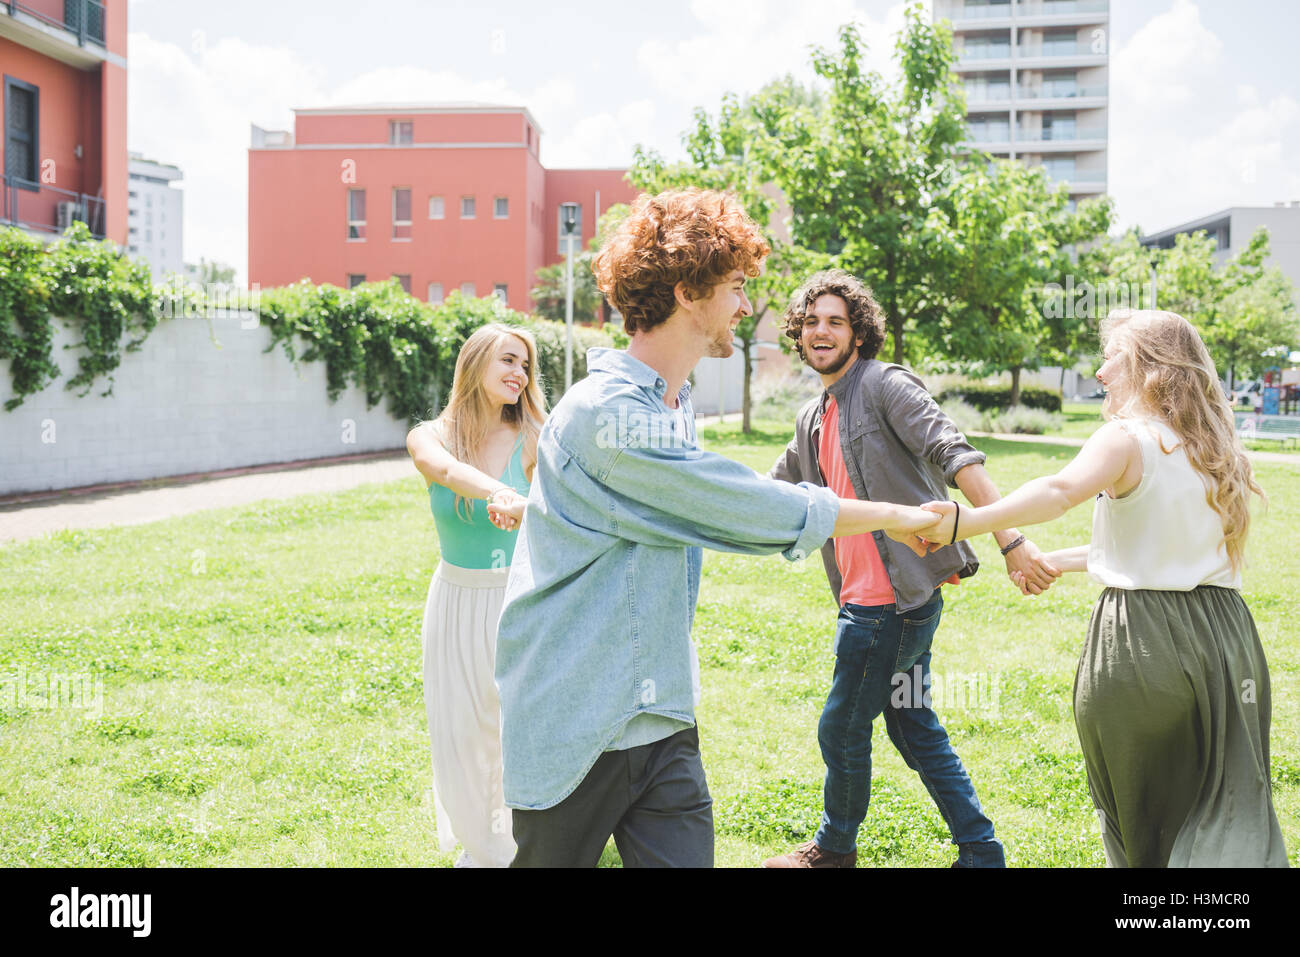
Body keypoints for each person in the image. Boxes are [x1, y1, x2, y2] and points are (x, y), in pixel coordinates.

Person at [487, 188, 941, 868]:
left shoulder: (673, 405)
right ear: (687, 292)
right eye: (733, 287)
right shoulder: (606, 413)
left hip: (661, 711)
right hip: (575, 715)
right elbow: (739, 506)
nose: (743, 305)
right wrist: (895, 517)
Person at [916, 309, 1289, 868]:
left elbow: (1059, 490)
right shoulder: (1215, 450)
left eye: (1111, 356)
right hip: (1227, 644)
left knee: (1143, 814)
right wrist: (1050, 562)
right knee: (1222, 805)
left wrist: (961, 523)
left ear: (1145, 365)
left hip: (1144, 646)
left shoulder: (1127, 439)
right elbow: (1153, 549)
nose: (1100, 371)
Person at [760, 269, 1058, 869]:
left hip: (891, 604)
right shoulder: (812, 416)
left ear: (858, 333)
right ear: (798, 333)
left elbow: (956, 455)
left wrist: (1012, 540)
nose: (822, 331)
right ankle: (981, 851)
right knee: (913, 726)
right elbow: (765, 491)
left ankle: (834, 851)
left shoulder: (885, 385)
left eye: (836, 322)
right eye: (812, 321)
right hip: (870, 601)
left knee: (842, 727)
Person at [405, 322, 546, 868]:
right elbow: (440, 470)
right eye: (508, 361)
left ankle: (515, 844)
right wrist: (502, 491)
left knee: (514, 727)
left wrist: (525, 503)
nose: (520, 373)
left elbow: (568, 507)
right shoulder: (430, 435)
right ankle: (482, 846)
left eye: (526, 365)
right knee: (460, 729)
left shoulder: (537, 432)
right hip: (455, 599)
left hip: (519, 598)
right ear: (475, 364)